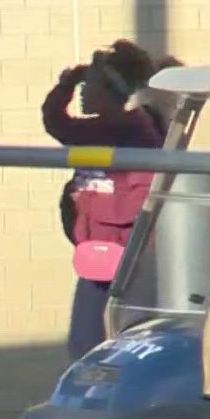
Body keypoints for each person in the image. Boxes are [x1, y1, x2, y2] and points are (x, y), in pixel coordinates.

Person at [43, 40, 166, 358]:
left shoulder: (135, 133)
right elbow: (56, 123)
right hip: (99, 257)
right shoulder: (102, 128)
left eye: (90, 85)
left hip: (126, 261)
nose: (83, 92)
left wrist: (86, 202)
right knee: (84, 347)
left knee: (106, 348)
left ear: (111, 90)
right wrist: (68, 83)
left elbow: (140, 204)